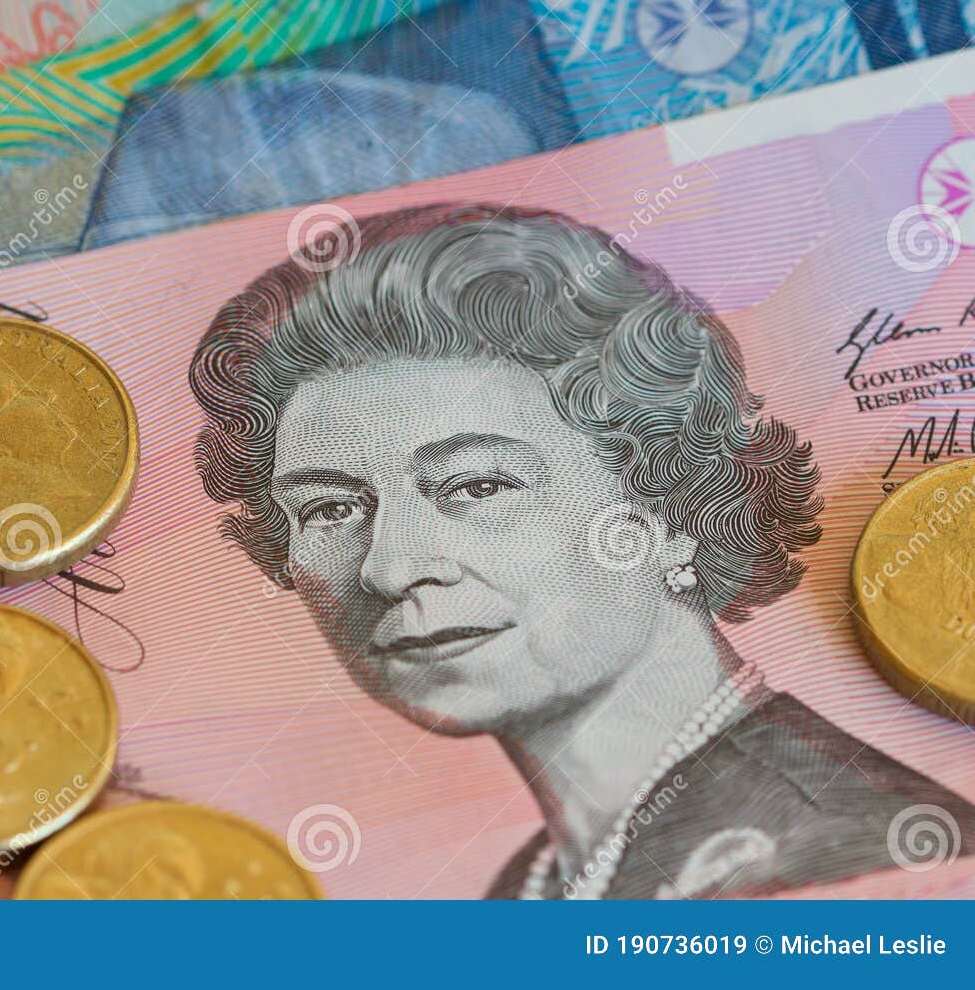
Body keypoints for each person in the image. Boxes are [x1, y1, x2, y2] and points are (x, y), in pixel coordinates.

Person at [189, 203, 975, 898]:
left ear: (671, 504)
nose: (390, 567)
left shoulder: (851, 858)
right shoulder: (538, 884)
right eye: (329, 507)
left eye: (477, 486)